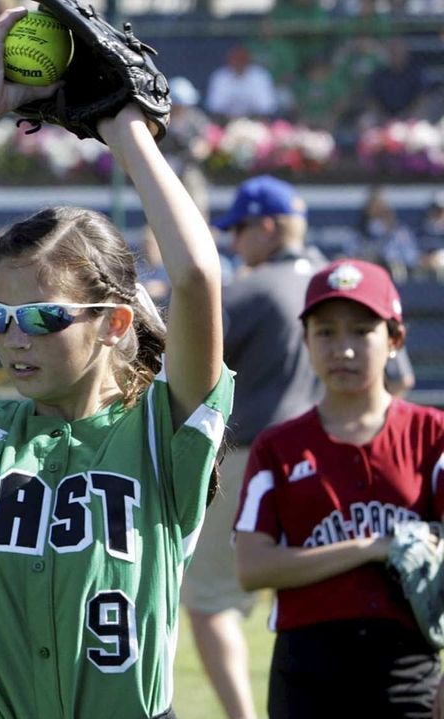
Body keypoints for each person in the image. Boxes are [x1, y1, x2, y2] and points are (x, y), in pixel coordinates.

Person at [0, 8, 232, 717]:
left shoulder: (158, 432)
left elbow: (196, 281)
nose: (12, 337)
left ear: (116, 323)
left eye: (42, 317)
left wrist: (126, 130)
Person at [233, 259, 444, 718]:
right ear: (305, 340)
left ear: (395, 340)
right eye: (325, 332)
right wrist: (372, 547)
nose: (342, 349)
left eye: (361, 331)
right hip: (306, 669)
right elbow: (252, 567)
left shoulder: (433, 436)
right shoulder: (278, 445)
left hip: (407, 668)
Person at [183, 174, 323, 719]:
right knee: (318, 593)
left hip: (252, 460)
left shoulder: (253, 288)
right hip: (325, 459)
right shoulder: (337, 284)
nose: (234, 242)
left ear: (267, 227)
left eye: (238, 230)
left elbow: (182, 354)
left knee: (211, 601)